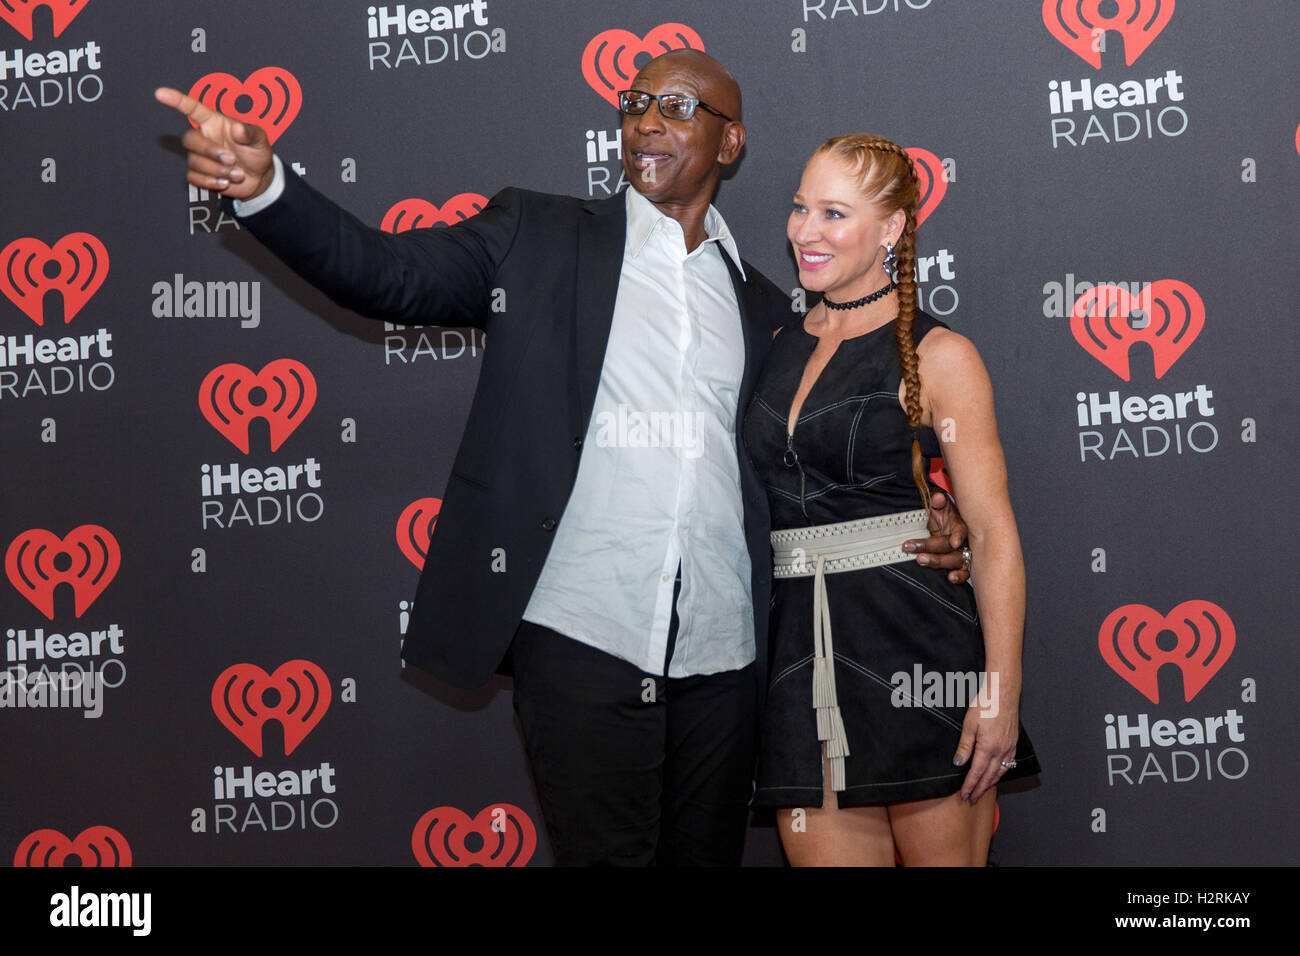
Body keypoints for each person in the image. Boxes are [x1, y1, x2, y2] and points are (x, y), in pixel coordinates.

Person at [155, 55, 970, 866]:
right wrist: (267, 190)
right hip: (584, 636)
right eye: (635, 102)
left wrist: (929, 521)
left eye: (679, 106)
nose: (647, 120)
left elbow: (805, 464)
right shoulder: (535, 236)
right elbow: (386, 275)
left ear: (730, 145)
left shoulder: (765, 309)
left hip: (727, 656)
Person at [743, 134, 1040, 866]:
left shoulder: (942, 356)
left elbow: (994, 534)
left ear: (893, 231)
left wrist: (1000, 694)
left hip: (918, 661)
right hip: (795, 666)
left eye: (834, 214)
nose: (805, 232)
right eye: (800, 207)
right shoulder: (770, 342)